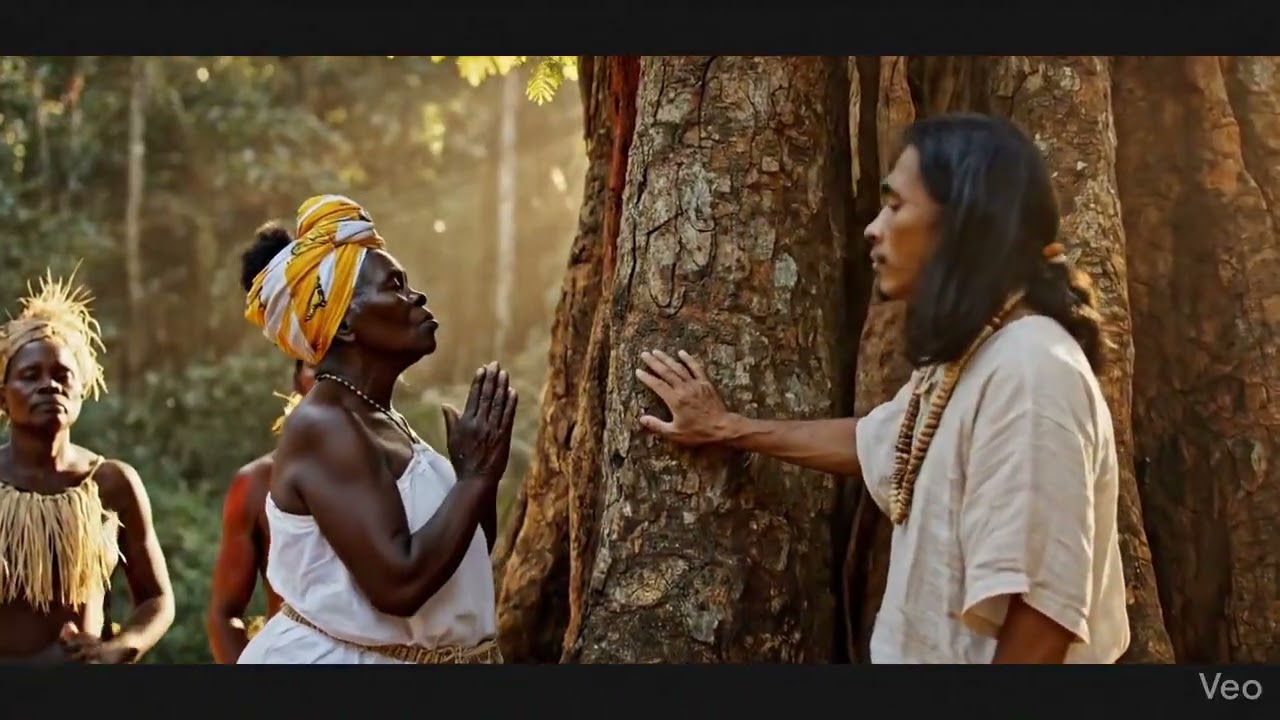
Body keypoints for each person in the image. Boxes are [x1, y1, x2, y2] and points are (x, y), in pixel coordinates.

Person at [634, 114, 1130, 664]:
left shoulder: (1032, 371)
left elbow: (1042, 618)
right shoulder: (978, 358)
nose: (873, 227)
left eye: (895, 205)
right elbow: (879, 442)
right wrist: (728, 428)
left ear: (963, 222)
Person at [236, 194, 516, 664]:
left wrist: (476, 475)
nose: (416, 297)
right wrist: (475, 478)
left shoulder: (382, 418)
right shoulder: (325, 424)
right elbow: (399, 584)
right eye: (395, 286)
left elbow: (464, 555)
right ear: (344, 324)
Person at [0, 270, 175, 665]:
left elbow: (157, 598)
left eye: (62, 376)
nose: (50, 386)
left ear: (81, 390)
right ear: (3, 398)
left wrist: (118, 648)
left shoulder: (110, 483)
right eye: (30, 376)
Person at [206, 359, 316, 664]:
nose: (330, 375)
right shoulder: (257, 483)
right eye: (315, 365)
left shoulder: (402, 471)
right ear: (298, 383)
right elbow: (224, 614)